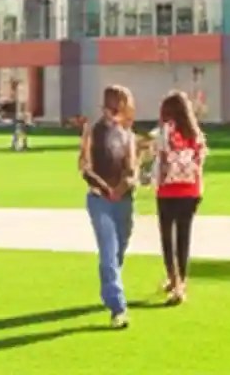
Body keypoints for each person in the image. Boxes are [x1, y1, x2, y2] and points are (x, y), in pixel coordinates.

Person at [79, 84, 138, 330]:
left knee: (119, 248)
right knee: (108, 252)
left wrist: (124, 186)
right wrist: (106, 189)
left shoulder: (128, 135)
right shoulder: (92, 131)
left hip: (123, 200)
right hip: (100, 200)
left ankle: (111, 285)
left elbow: (132, 167)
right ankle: (117, 307)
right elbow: (85, 166)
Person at [154, 90, 207, 306]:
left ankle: (173, 279)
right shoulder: (195, 135)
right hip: (190, 191)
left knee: (168, 237)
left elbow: (158, 157)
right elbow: (200, 163)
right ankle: (181, 282)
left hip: (168, 191)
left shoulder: (165, 132)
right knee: (184, 237)